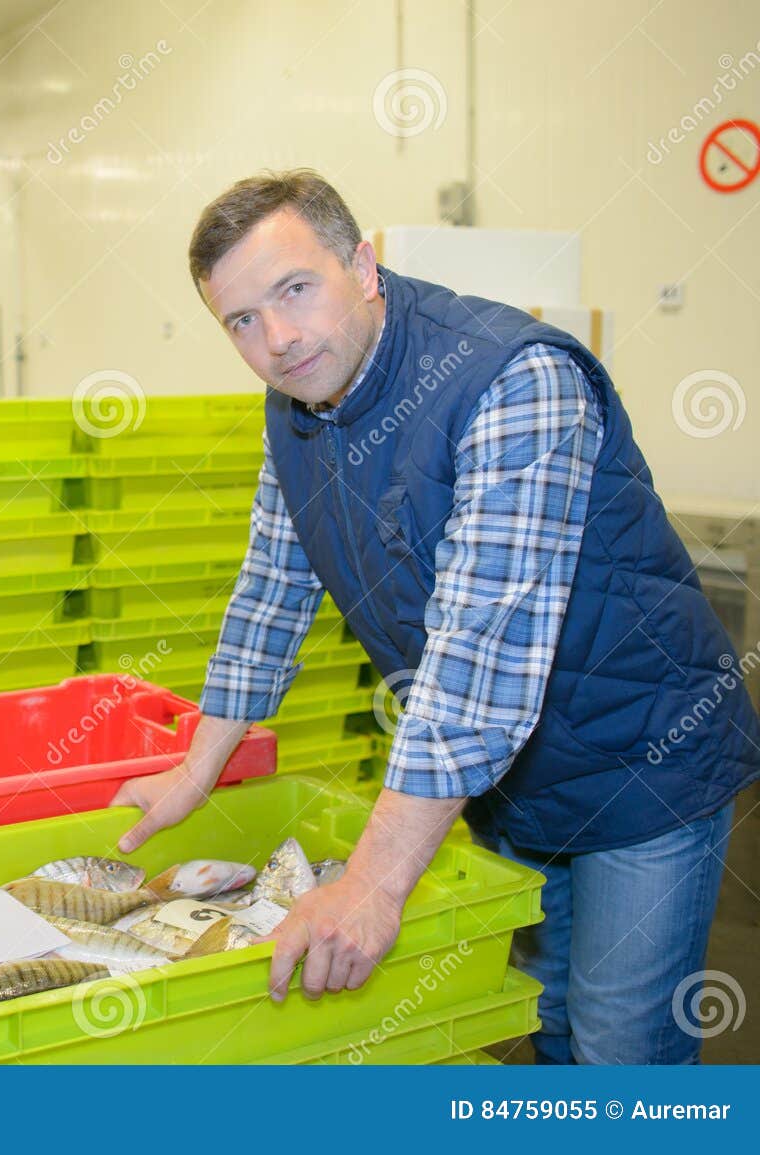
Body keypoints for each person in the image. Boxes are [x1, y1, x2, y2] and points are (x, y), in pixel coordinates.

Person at [113, 169, 760, 1064]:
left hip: (641, 763)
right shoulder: (299, 406)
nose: (279, 339)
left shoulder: (513, 379)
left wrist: (375, 886)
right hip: (514, 784)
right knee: (549, 1020)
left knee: (624, 1050)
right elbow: (271, 589)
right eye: (242, 321)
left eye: (294, 289)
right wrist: (196, 769)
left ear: (363, 268)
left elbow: (476, 666)